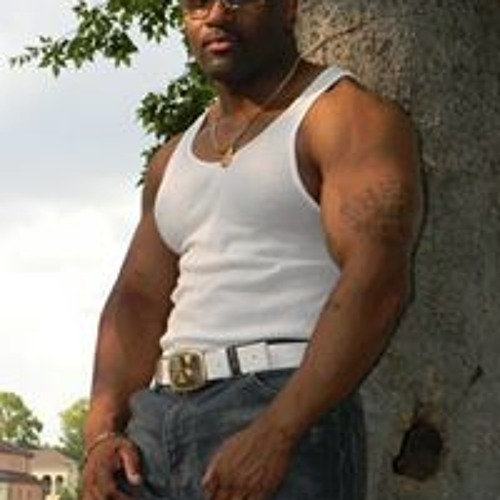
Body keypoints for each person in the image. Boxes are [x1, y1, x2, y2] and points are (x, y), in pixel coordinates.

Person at [82, 0, 423, 498]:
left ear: (288, 8)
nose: (216, 15)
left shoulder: (343, 117)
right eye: (198, 4)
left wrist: (279, 431)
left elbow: (378, 283)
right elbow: (136, 299)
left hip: (279, 404)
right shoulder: (170, 160)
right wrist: (101, 434)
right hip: (155, 424)